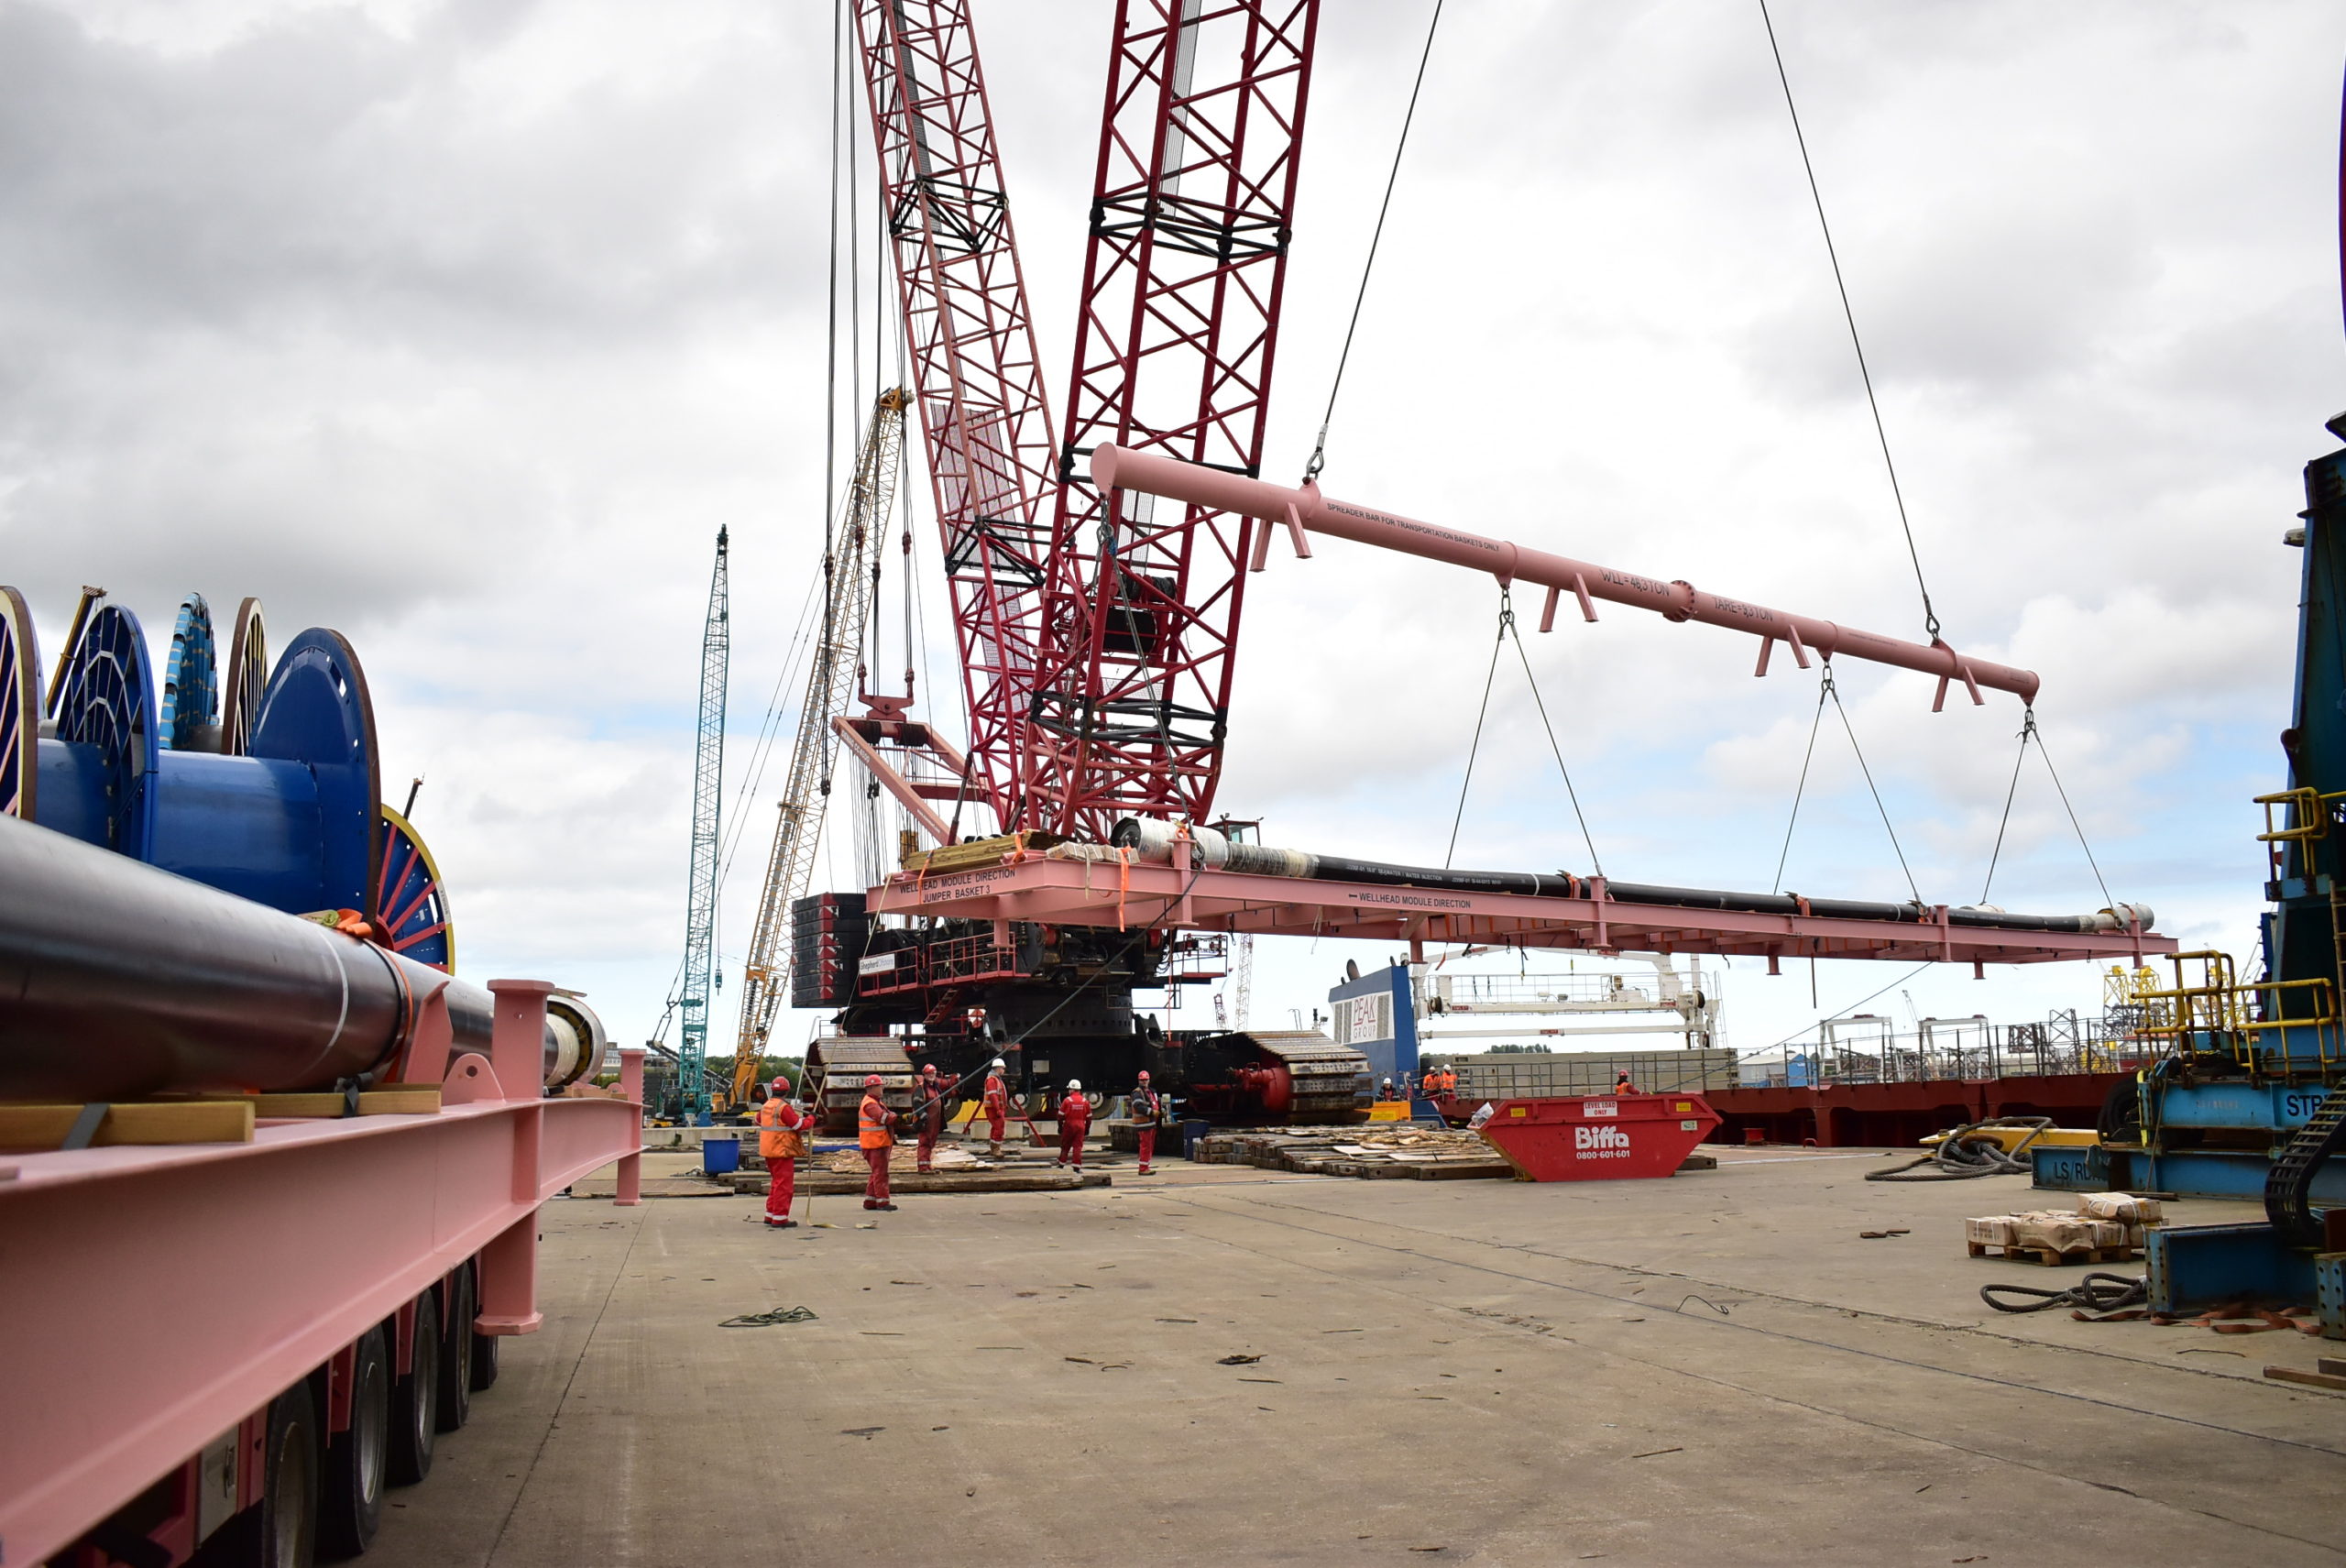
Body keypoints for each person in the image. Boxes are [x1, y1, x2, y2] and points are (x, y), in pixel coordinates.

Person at [756, 1074, 810, 1228]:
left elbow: (759, 1120)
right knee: (784, 1185)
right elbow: (798, 1125)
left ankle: (770, 1214)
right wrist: (811, 1119)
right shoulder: (783, 1107)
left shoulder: (767, 1105)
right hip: (782, 1150)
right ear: (787, 1091)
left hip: (769, 1149)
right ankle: (780, 1218)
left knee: (776, 1183)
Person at [858, 1073, 898, 1212]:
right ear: (872, 1088)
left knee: (876, 1172)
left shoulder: (874, 1102)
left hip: (876, 1143)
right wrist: (897, 1117)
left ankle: (870, 1201)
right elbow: (883, 1118)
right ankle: (883, 1202)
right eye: (880, 1087)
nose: (882, 1089)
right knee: (881, 1174)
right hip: (875, 1144)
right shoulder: (870, 1104)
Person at [914, 1063, 950, 1174]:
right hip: (925, 1121)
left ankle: (927, 1164)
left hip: (935, 1121)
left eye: (933, 1073)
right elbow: (917, 1103)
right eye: (929, 1074)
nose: (931, 1076)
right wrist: (922, 1115)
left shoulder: (936, 1088)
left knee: (931, 1143)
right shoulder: (920, 1088)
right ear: (924, 1075)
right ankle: (923, 1167)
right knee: (924, 1142)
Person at [1129, 1069, 1163, 1176]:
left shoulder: (1152, 1091)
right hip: (1143, 1124)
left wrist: (1160, 1111)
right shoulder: (1137, 1093)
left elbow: (1156, 1103)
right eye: (1142, 1080)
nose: (1144, 1082)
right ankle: (1143, 1168)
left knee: (1150, 1146)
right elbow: (1138, 1106)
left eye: (1146, 1080)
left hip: (1152, 1123)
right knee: (1145, 1146)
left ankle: (1146, 1165)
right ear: (1139, 1081)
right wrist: (1151, 1112)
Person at [1055, 1079, 1092, 1171]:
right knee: (1078, 1147)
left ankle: (1061, 1164)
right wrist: (1087, 1129)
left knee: (1065, 1145)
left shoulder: (1067, 1101)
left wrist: (1060, 1127)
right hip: (1081, 1126)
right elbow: (1089, 1118)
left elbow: (1060, 1116)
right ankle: (1076, 1166)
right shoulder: (1085, 1101)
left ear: (1072, 1089)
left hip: (1069, 1125)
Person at [981, 1058, 1011, 1157]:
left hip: (995, 1108)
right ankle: (996, 1149)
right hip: (993, 1109)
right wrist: (998, 1109)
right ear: (998, 1068)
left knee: (996, 1128)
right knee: (999, 1128)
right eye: (1003, 1068)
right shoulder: (992, 1080)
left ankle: (994, 1148)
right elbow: (993, 1096)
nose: (1004, 1070)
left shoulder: (996, 1079)